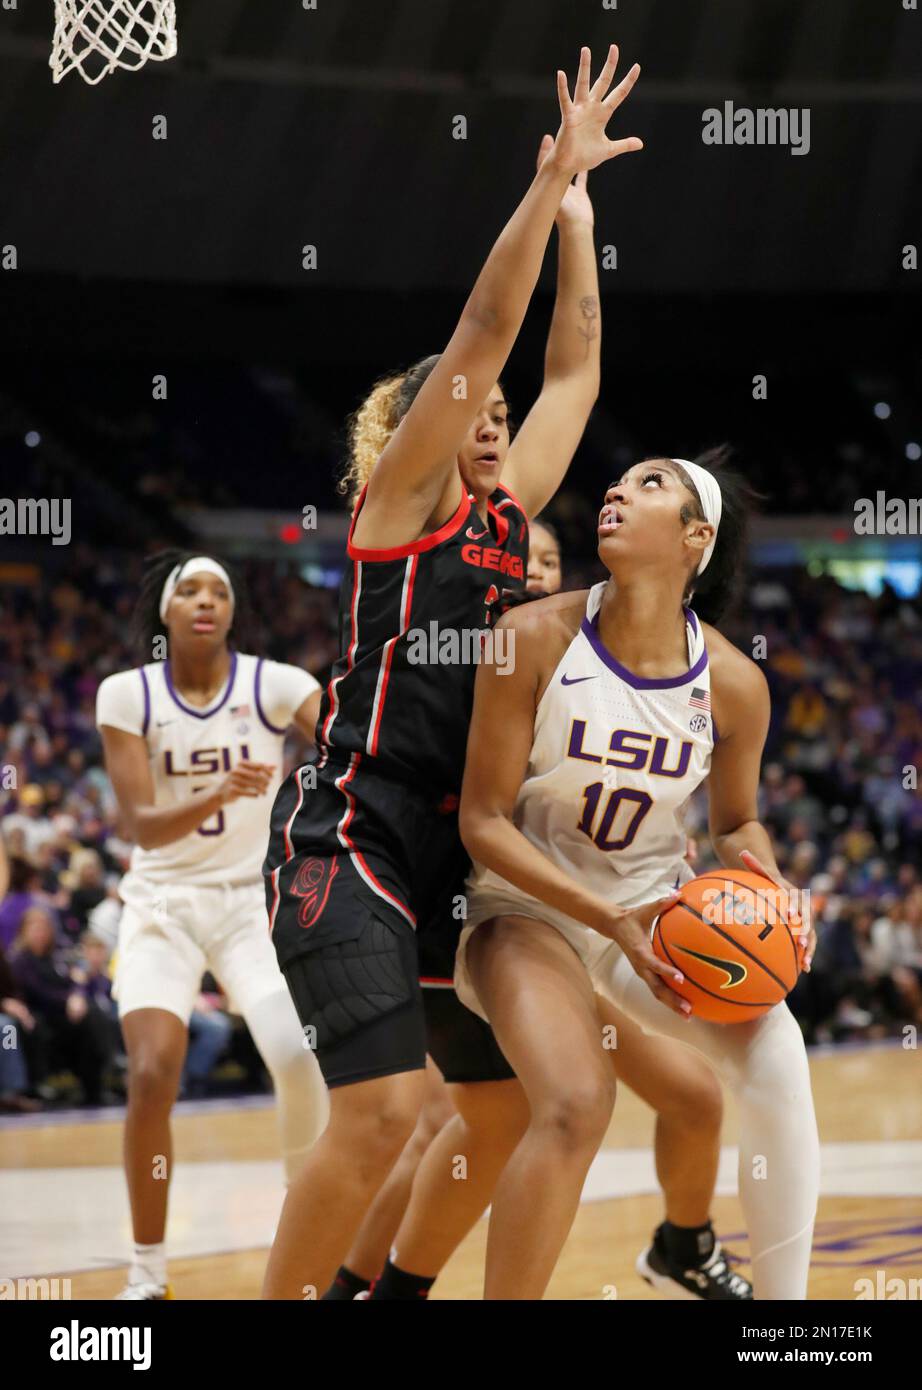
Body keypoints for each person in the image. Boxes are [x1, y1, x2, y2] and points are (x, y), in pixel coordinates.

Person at [262, 44, 645, 1300]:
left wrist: (583, 219)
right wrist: (541, 187)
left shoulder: (501, 513)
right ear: (420, 428)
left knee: (484, 1118)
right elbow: (488, 330)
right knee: (378, 1116)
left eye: (492, 412)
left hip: (448, 855)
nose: (492, 416)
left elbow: (574, 371)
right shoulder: (401, 505)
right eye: (468, 406)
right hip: (350, 833)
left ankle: (393, 1294)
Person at [329, 514, 751, 1301]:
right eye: (521, 563)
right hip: (456, 906)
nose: (532, 576)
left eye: (548, 565)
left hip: (577, 925)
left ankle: (683, 1249)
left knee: (683, 1096)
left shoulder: (567, 656)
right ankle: (364, 1284)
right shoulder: (471, 651)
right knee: (474, 1120)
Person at [455, 451, 821, 1299]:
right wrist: (604, 916)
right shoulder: (532, 637)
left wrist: (769, 883)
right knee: (578, 1104)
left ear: (697, 536)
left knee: (776, 1056)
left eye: (651, 482)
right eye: (620, 480)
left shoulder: (734, 683)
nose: (617, 488)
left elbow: (734, 824)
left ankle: (785, 1322)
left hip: (651, 914)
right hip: (522, 910)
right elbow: (482, 822)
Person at [96, 550, 330, 1300]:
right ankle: (147, 1270)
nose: (206, 600)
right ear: (165, 612)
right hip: (161, 905)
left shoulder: (277, 685)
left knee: (295, 1054)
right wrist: (222, 791)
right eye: (189, 590)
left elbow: (356, 742)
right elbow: (140, 824)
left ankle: (307, 1213)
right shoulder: (125, 696)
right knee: (152, 1073)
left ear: (232, 610)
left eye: (220, 590)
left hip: (244, 905)